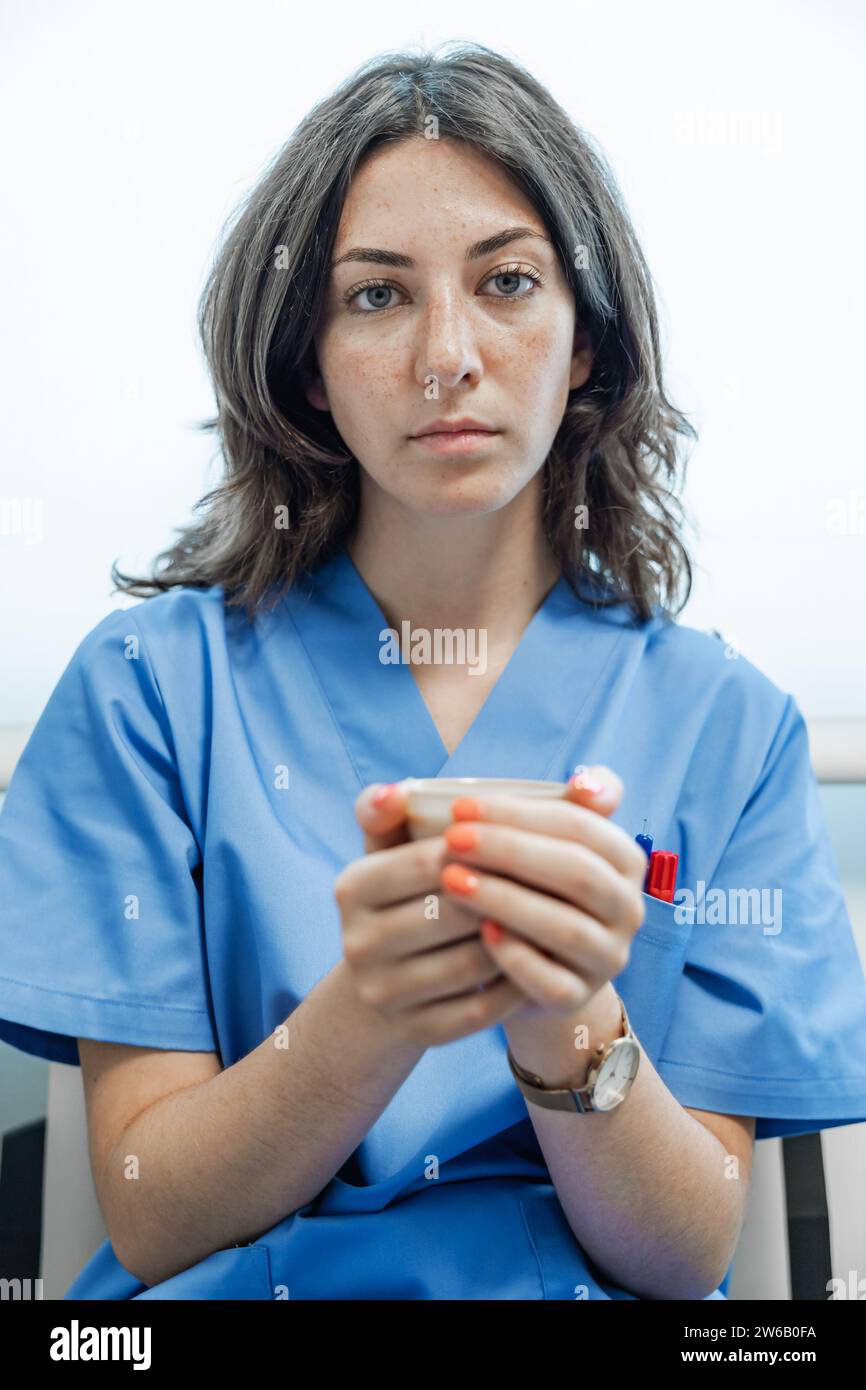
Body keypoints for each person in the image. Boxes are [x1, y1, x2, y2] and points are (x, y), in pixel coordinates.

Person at [2, 42, 866, 1302]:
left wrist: (565, 1017)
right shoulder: (148, 692)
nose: (446, 355)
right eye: (375, 295)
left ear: (584, 341)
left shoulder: (729, 729)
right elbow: (149, 1213)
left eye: (507, 281)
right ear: (306, 364)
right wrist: (373, 1010)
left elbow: (687, 1258)